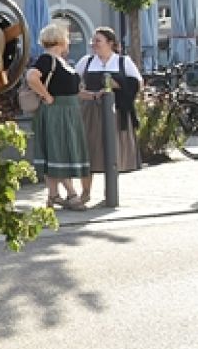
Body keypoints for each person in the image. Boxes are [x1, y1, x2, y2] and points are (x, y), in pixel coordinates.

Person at [76, 25, 142, 204]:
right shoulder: (87, 61)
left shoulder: (123, 62)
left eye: (98, 41)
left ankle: (110, 193)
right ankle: (86, 192)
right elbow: (73, 84)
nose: (94, 44)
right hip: (90, 112)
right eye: (93, 41)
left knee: (112, 152)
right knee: (88, 151)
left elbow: (137, 84)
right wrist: (86, 93)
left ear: (110, 43)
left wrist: (117, 84)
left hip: (115, 113)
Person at [27, 23, 90, 210]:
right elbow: (31, 76)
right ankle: (71, 194)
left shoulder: (60, 61)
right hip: (57, 111)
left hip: (67, 111)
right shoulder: (47, 59)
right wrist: (46, 96)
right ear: (61, 40)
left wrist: (93, 94)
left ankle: (53, 195)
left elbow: (72, 90)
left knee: (55, 152)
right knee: (58, 151)